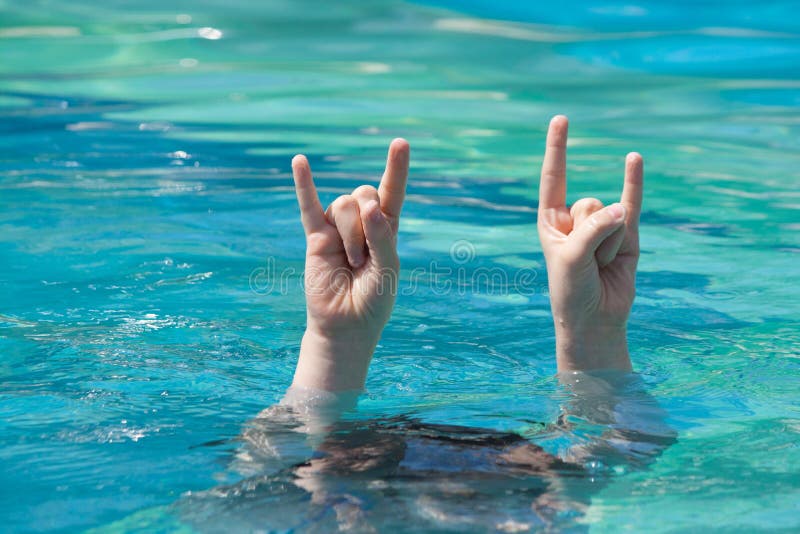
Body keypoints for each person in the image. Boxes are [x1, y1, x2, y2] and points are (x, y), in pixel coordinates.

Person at [178, 116, 671, 532]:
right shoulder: (546, 496)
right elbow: (626, 456)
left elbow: (250, 482)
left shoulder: (303, 494)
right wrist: (594, 336)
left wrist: (333, 345)